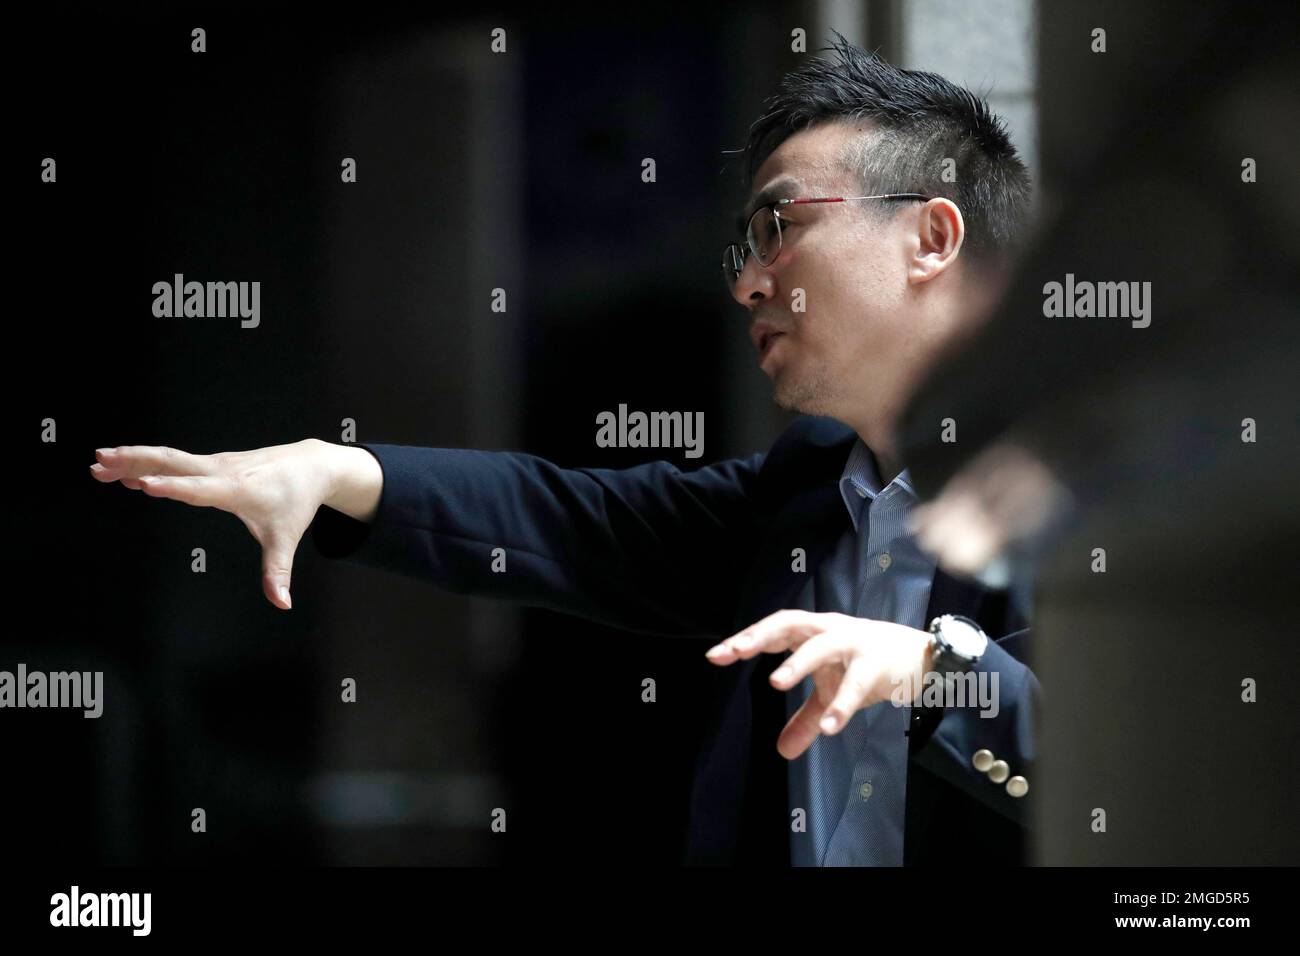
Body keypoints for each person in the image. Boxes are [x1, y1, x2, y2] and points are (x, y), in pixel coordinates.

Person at [90, 36, 1037, 866]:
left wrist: (934, 671)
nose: (749, 283)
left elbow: (1155, 770)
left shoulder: (1086, 492)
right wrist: (338, 472)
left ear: (931, 235)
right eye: (742, 247)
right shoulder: (804, 498)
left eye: (777, 228)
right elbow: (570, 518)